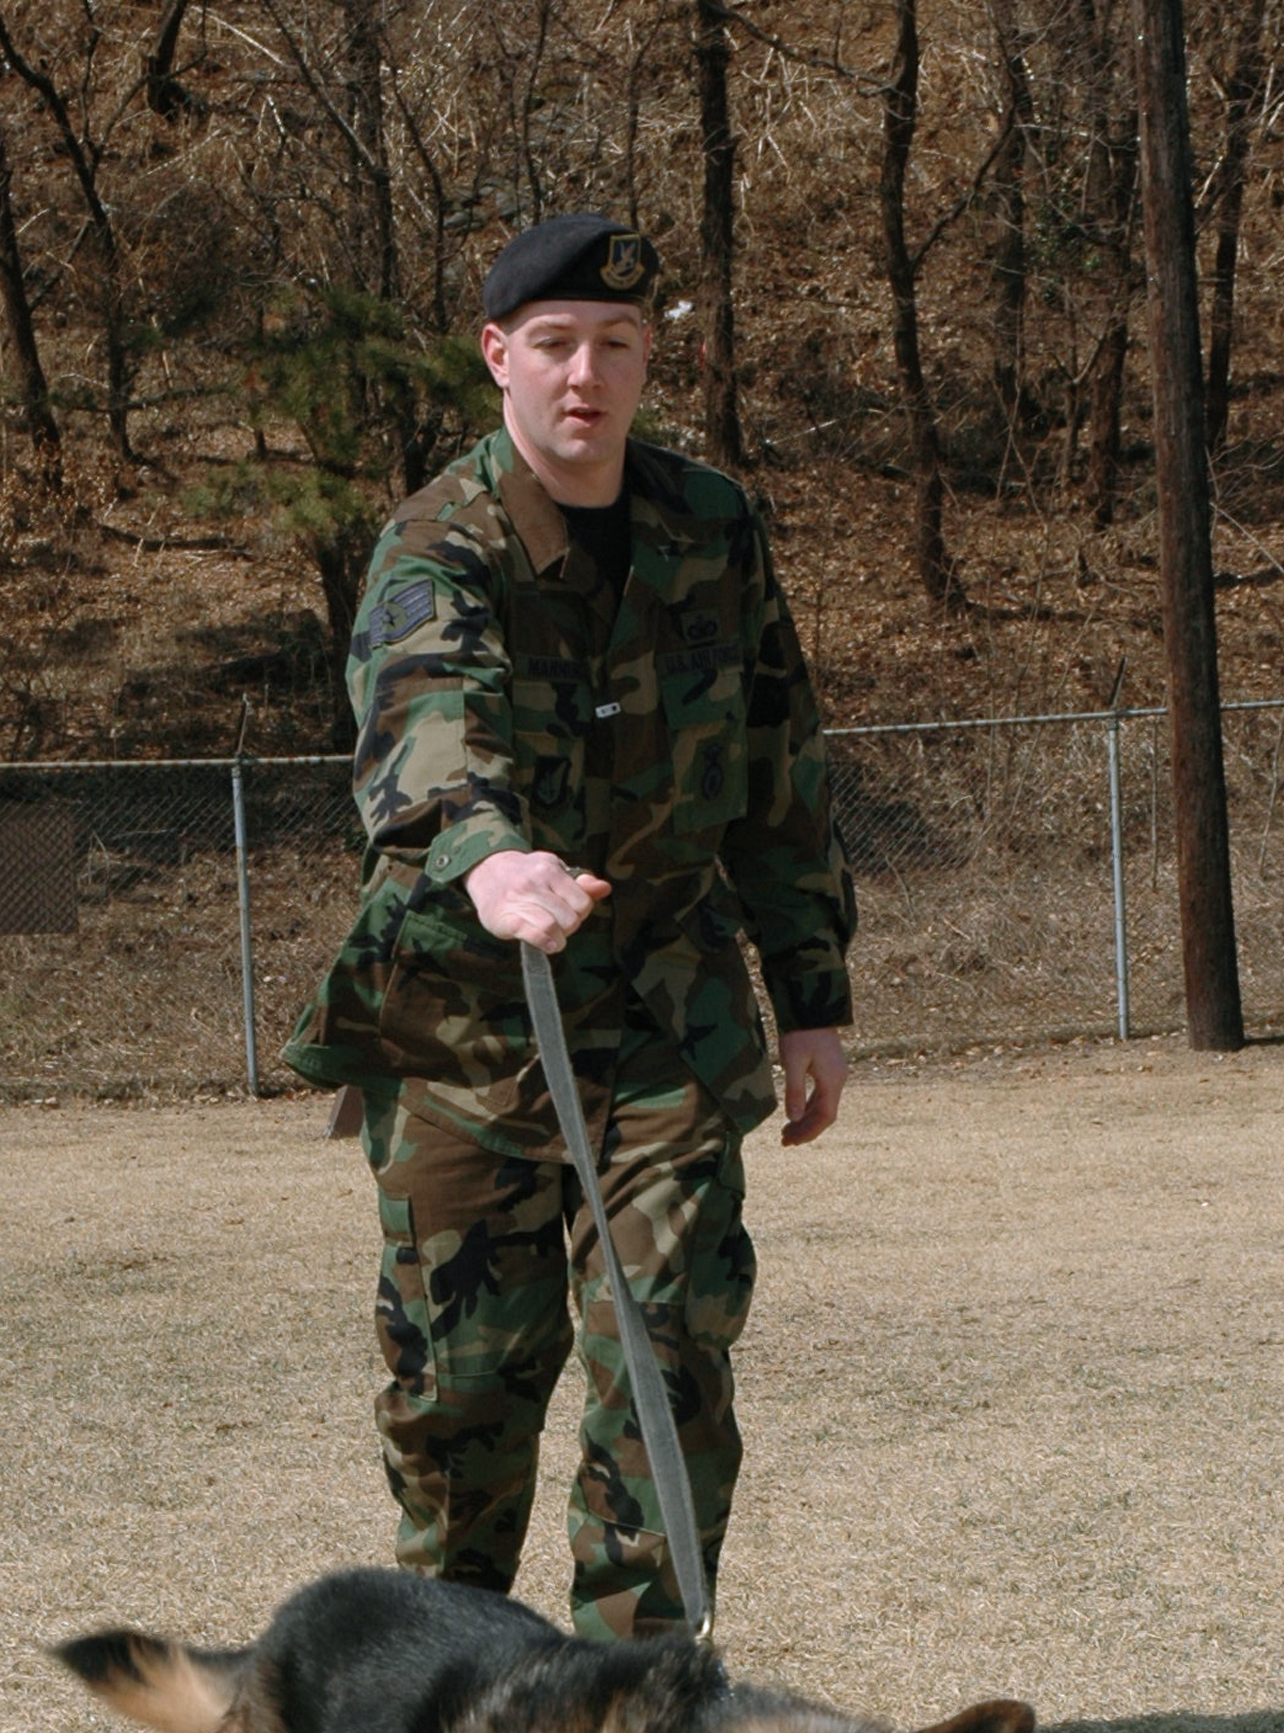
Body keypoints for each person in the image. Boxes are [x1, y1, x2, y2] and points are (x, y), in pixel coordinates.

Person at [283, 211, 856, 1640]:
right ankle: (445, 1681)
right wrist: (485, 858)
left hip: (665, 1011)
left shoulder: (711, 526)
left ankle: (634, 1691)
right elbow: (423, 717)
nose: (583, 374)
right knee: (461, 1387)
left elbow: (779, 762)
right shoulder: (436, 537)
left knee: (668, 1350)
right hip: (469, 1024)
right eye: (552, 345)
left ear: (649, 360)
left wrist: (812, 994)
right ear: (498, 358)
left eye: (615, 345)